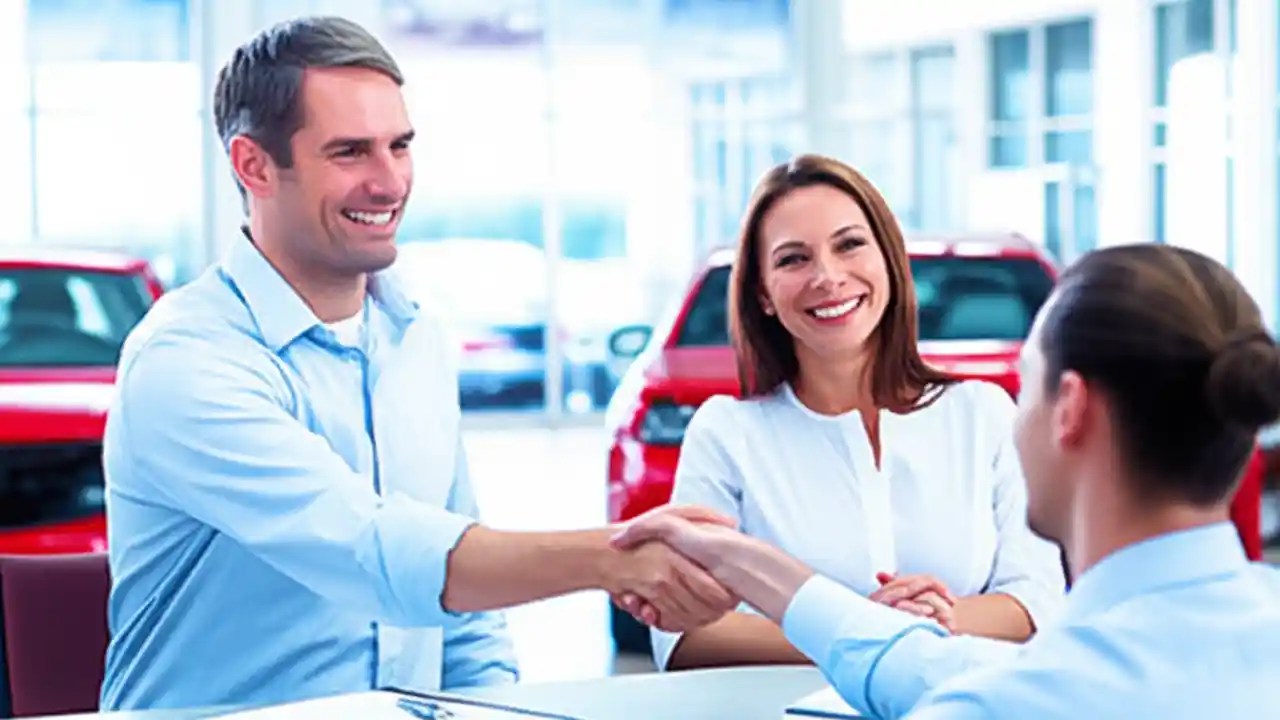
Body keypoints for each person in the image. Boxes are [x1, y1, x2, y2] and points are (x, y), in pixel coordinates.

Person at [100, 16, 735, 712]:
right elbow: (372, 553)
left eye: (399, 146)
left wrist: (496, 708)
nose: (389, 181)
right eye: (350, 152)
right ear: (254, 166)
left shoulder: (414, 338)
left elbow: (467, 624)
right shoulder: (187, 361)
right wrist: (613, 558)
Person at [616, 243, 1280, 718]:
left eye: (1028, 384)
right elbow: (933, 664)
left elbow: (997, 679)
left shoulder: (1002, 704)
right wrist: (756, 568)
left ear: (1070, 409)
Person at [651, 154, 1064, 671]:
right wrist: (860, 629)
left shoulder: (982, 415)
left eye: (849, 245)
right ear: (763, 294)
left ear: (887, 258)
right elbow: (684, 633)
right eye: (793, 259)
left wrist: (930, 621)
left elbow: (1040, 600)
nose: (828, 277)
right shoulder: (727, 432)